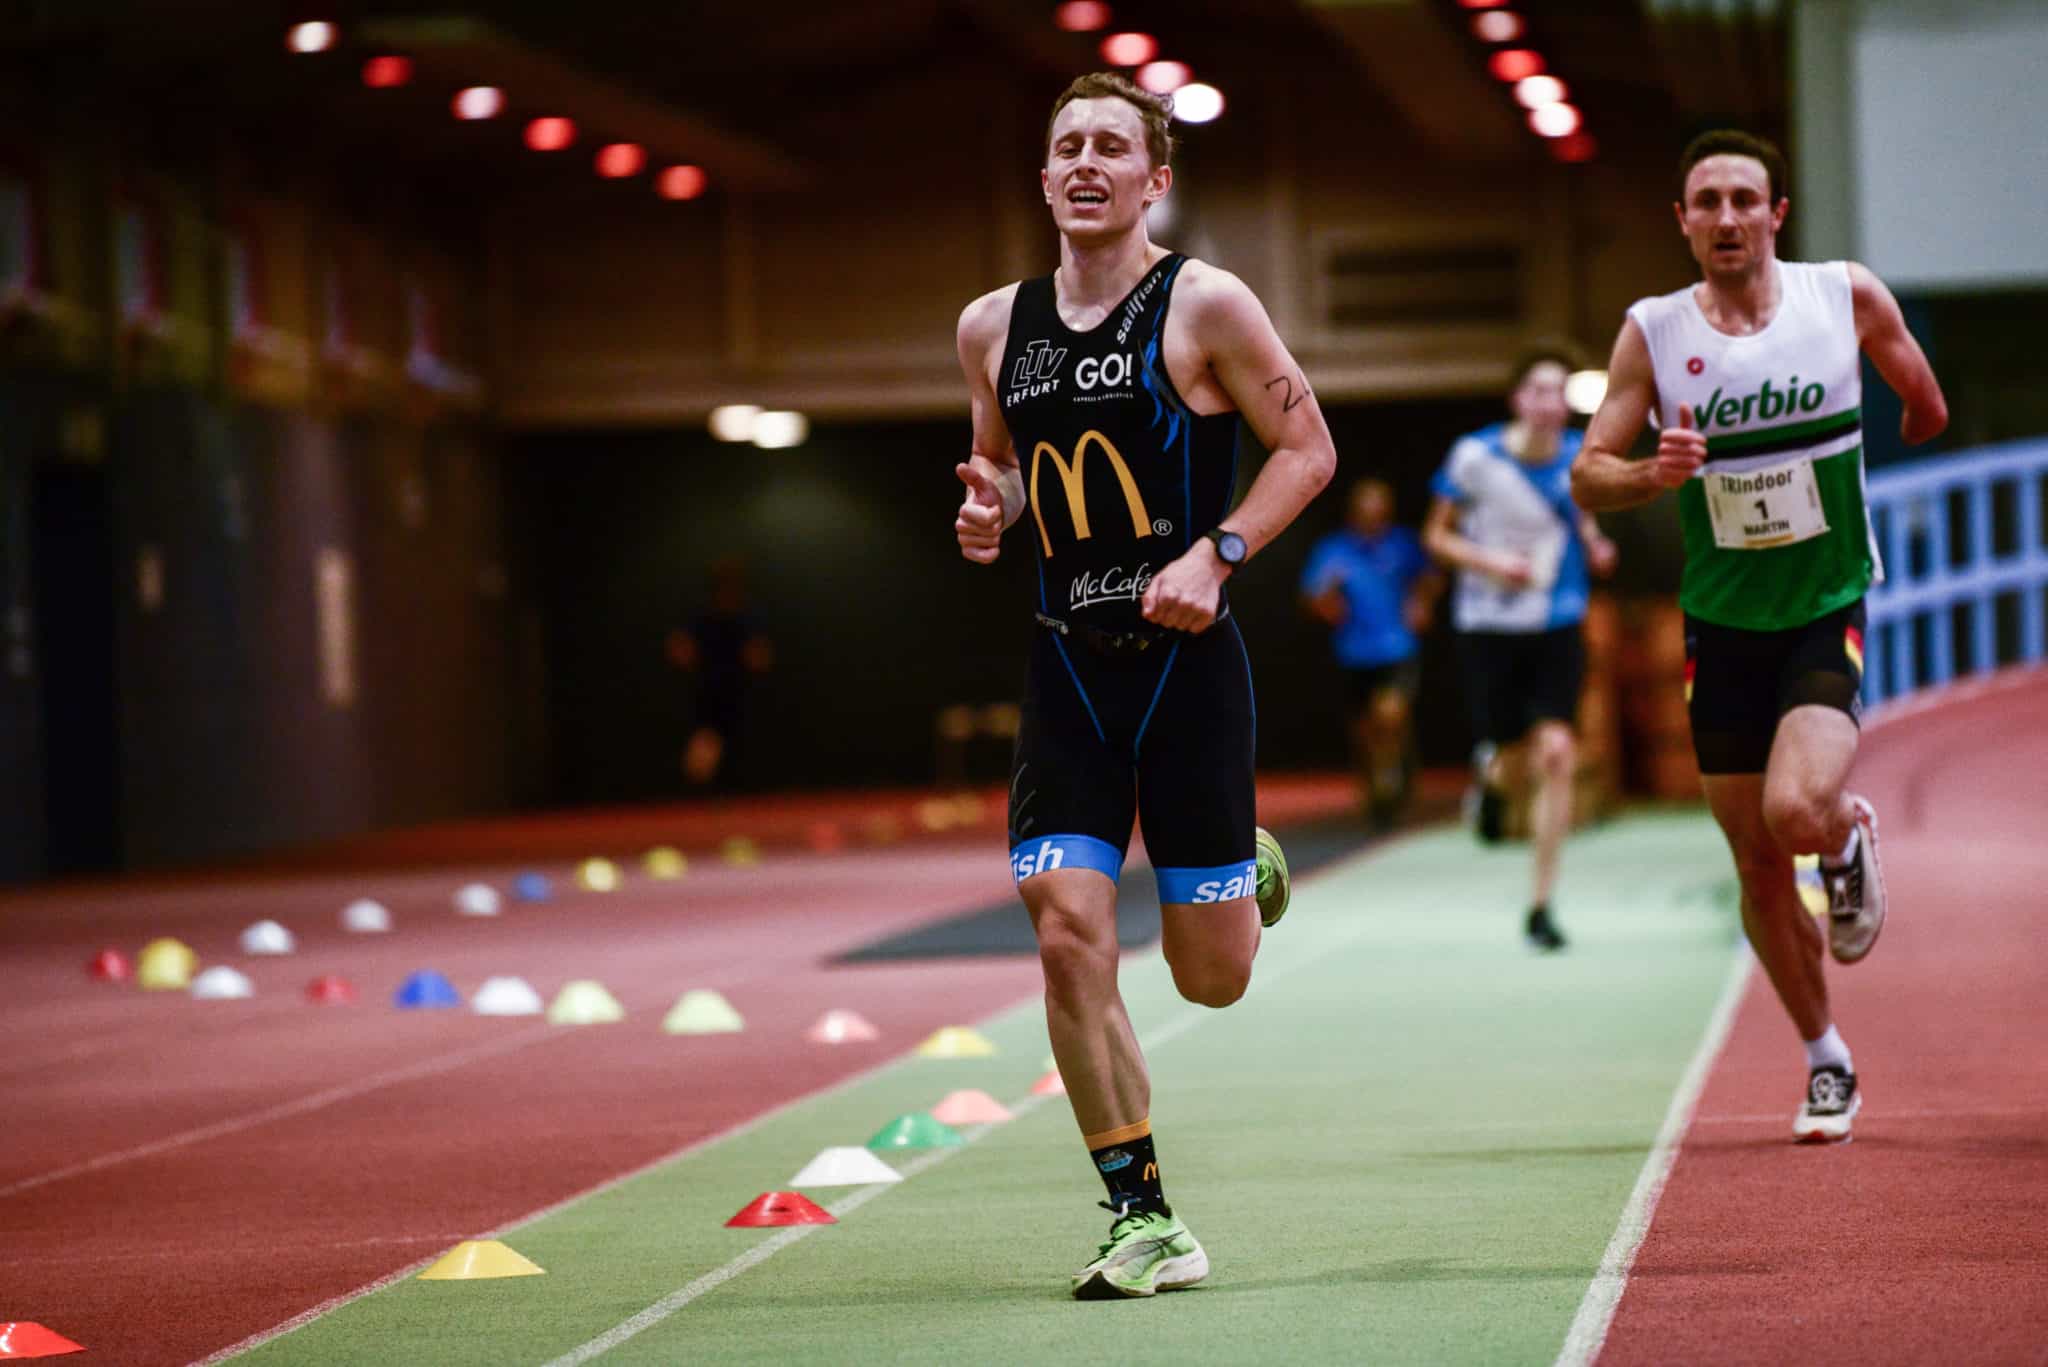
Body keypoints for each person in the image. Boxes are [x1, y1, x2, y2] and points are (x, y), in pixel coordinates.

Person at [952, 72, 1335, 1299]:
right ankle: (1142, 1211)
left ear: (1152, 179)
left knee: (1208, 977)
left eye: (1110, 146)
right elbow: (1003, 470)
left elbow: (1307, 449)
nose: (1084, 162)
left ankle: (1243, 866)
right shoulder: (990, 326)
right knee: (1065, 929)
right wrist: (987, 508)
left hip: (1186, 674)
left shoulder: (1204, 303)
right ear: (1043, 176)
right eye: (1065, 144)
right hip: (1067, 664)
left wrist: (1215, 555)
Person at [1572, 130, 1947, 1142]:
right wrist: (1651, 472)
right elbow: (1587, 474)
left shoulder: (1842, 296)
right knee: (1752, 860)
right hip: (1721, 622)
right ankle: (1826, 1059)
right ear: (1683, 222)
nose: (1727, 217)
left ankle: (1843, 834)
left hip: (1824, 603)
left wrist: (1879, 434)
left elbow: (1924, 403)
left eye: (1745, 199)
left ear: (1776, 214)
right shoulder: (1652, 331)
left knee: (1794, 808)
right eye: (1707, 202)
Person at [1423, 347, 1619, 953]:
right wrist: (1491, 563)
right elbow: (1436, 536)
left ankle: (1541, 905)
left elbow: (1583, 522)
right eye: (1538, 390)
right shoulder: (1475, 458)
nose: (1549, 403)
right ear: (1517, 400)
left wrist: (1596, 546)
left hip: (1556, 621)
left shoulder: (1578, 458)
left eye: (1559, 392)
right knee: (1509, 761)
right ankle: (1488, 781)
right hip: (1488, 625)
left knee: (1556, 753)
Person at [1298, 478, 1440, 826]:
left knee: (1390, 715)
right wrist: (1328, 602)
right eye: (1366, 510)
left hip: (1397, 647)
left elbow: (1431, 576)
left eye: (1379, 510)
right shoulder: (1334, 551)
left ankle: (1397, 776)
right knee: (1364, 729)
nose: (1373, 516)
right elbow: (1312, 598)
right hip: (1353, 652)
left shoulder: (1402, 544)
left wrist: (1420, 603)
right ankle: (1375, 789)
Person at [664, 559, 772, 789]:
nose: (730, 591)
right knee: (708, 740)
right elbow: (679, 647)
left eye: (733, 585)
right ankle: (697, 786)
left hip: (738, 692)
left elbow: (759, 655)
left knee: (733, 744)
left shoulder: (747, 617)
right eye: (725, 585)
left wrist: (755, 657)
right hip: (709, 691)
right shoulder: (702, 616)